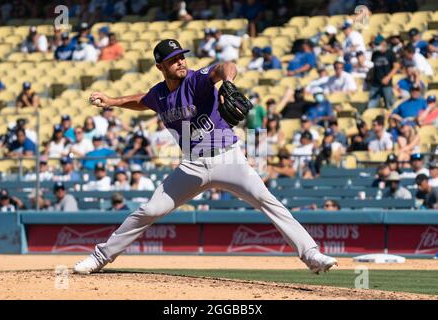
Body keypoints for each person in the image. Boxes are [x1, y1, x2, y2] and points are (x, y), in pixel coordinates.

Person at [74, 39, 337, 274]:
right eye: (173, 60)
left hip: (228, 158)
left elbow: (224, 66)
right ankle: (100, 256)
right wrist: (112, 101)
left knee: (267, 200)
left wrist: (229, 82)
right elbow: (143, 100)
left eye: (181, 56)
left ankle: (311, 254)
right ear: (160, 66)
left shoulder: (196, 79)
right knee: (149, 210)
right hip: (193, 166)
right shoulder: (160, 94)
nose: (180, 62)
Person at [367, 35, 400, 109]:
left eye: (378, 44)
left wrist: (388, 77)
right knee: (371, 105)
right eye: (376, 44)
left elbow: (396, 67)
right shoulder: (375, 54)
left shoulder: (390, 53)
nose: (377, 46)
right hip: (375, 83)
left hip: (386, 84)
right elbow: (373, 67)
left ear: (384, 43)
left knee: (389, 105)